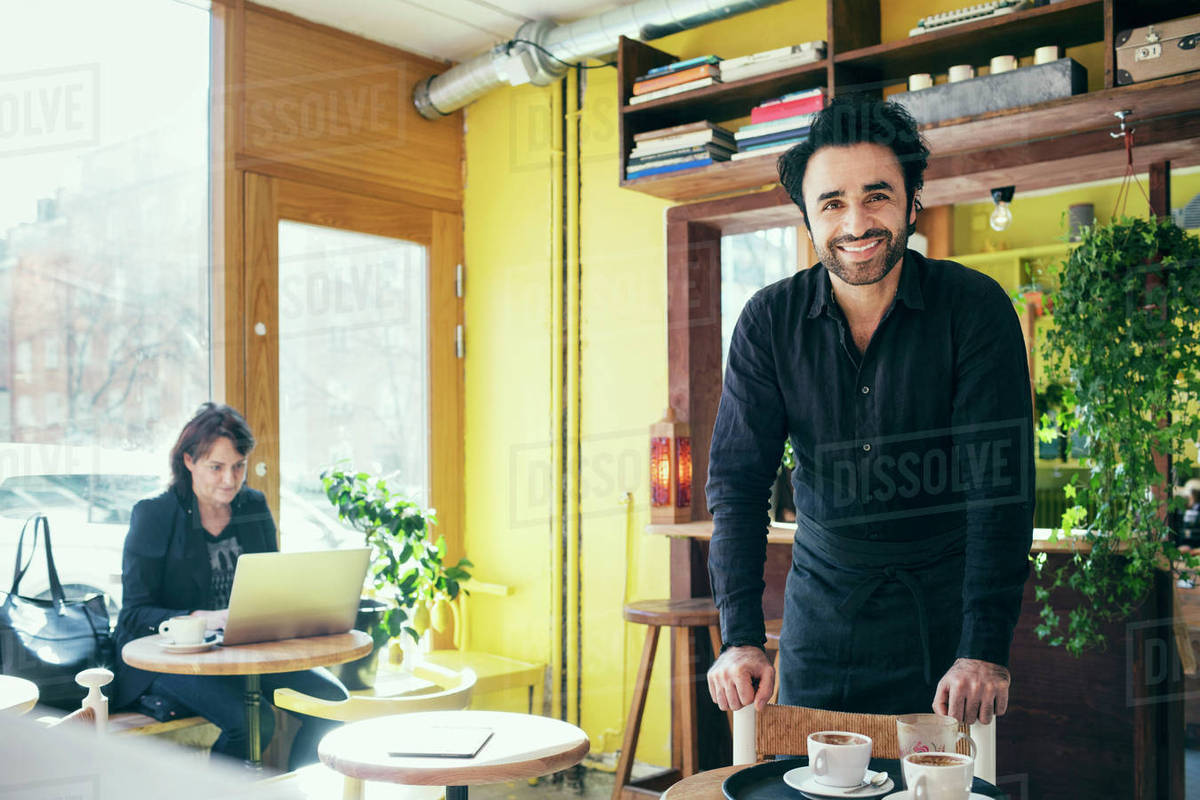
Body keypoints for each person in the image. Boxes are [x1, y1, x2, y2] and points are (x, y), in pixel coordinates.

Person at [705, 95, 1034, 726]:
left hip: (945, 624)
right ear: (807, 218)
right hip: (820, 615)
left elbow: (1000, 488)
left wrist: (983, 651)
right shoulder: (768, 321)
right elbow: (739, 486)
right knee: (808, 787)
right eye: (831, 203)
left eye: (877, 196)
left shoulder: (973, 308)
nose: (856, 223)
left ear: (913, 201)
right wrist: (741, 637)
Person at [112, 403, 349, 768]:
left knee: (332, 701)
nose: (230, 479)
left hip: (241, 649)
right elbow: (133, 615)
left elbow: (271, 584)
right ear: (189, 461)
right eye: (216, 467)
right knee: (252, 723)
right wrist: (202, 619)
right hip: (169, 658)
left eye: (239, 466)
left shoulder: (252, 505)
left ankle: (299, 791)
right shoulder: (155, 514)